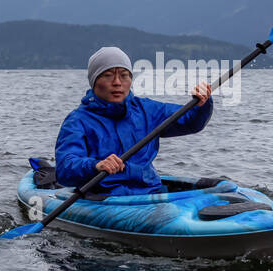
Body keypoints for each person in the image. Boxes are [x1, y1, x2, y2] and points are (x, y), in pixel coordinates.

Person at [54, 46, 212, 197]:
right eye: (108, 75)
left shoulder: (147, 110)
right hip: (103, 198)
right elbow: (64, 169)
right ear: (95, 81)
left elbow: (191, 122)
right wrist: (96, 165)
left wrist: (203, 104)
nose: (117, 82)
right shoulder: (77, 121)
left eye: (124, 75)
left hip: (150, 194)